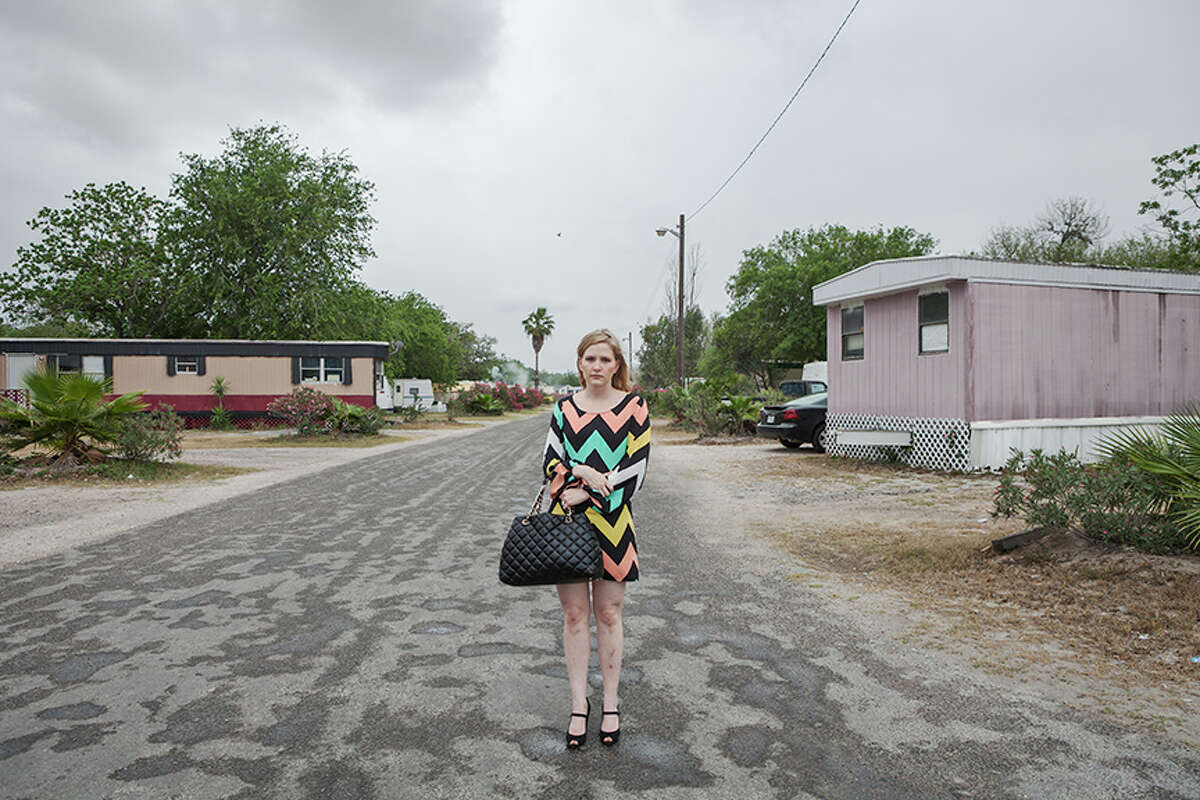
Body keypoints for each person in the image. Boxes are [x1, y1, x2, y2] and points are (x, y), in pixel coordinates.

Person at [542, 328, 650, 749]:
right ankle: (577, 705)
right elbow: (551, 459)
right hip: (566, 522)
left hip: (614, 523)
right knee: (574, 617)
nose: (598, 367)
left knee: (608, 614)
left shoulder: (634, 407)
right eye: (591, 359)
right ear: (580, 363)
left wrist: (584, 486)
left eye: (606, 360)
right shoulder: (564, 408)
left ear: (617, 364)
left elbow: (636, 469)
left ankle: (610, 703)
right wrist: (579, 473)